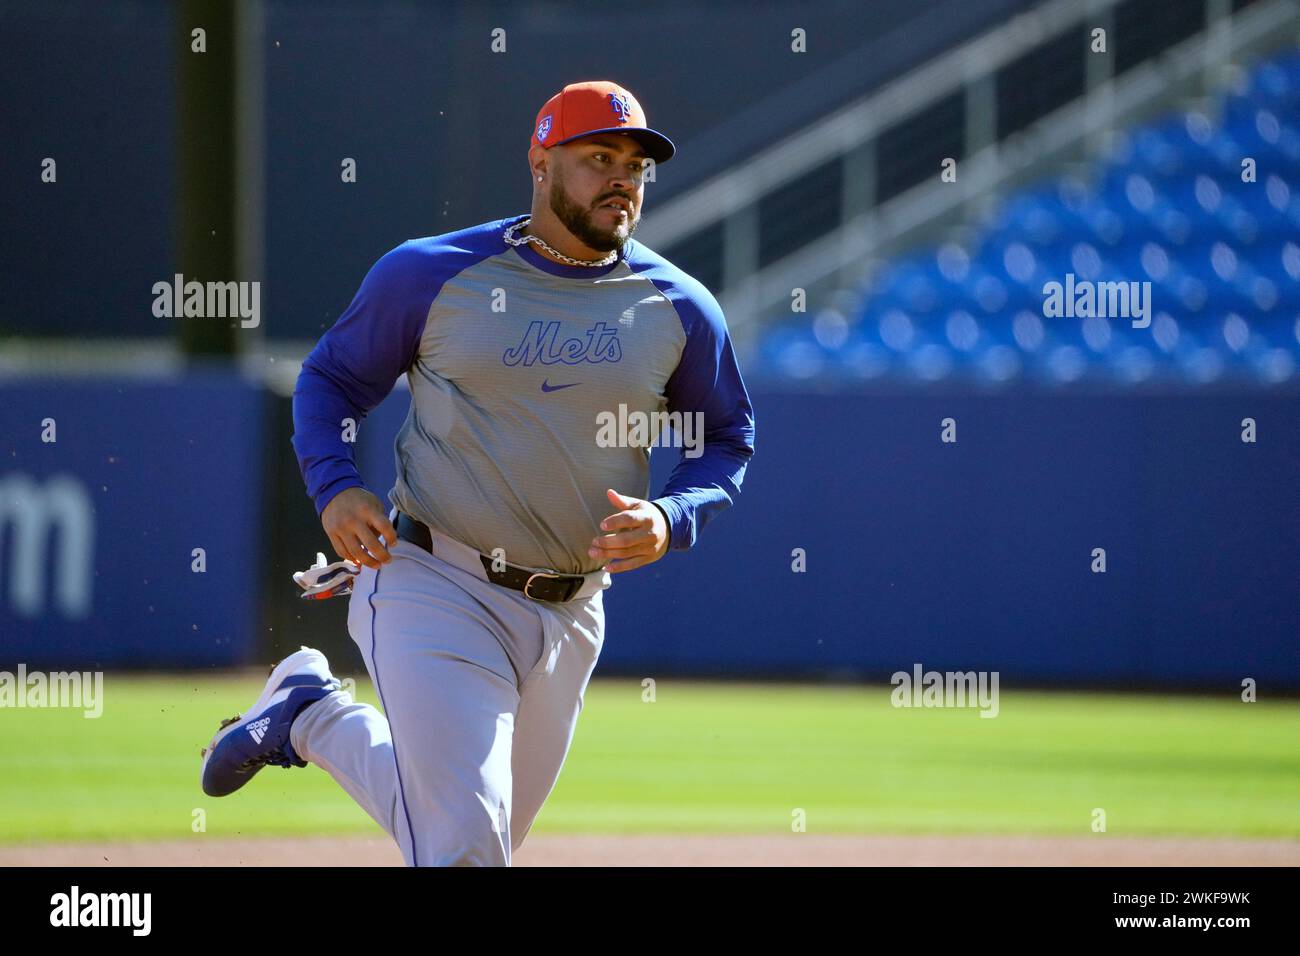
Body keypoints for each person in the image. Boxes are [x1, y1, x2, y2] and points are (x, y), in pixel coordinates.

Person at [200, 80, 756, 866]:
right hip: (435, 579)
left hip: (572, 610)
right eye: (599, 157)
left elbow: (727, 437)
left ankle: (310, 716)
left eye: (636, 164)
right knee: (464, 846)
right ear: (540, 160)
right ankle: (312, 716)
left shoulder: (679, 305)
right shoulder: (431, 274)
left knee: (463, 832)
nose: (622, 178)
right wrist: (335, 485)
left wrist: (674, 515)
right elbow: (329, 382)